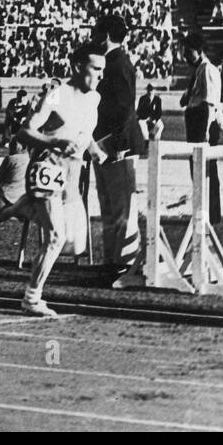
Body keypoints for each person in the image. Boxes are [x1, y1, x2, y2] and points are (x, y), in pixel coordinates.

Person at [9, 43, 108, 318]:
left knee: (76, 243)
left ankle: (24, 206)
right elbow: (24, 132)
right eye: (95, 69)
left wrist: (97, 152)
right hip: (48, 168)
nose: (100, 75)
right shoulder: (56, 95)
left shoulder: (94, 99)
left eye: (103, 70)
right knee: (55, 237)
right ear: (78, 67)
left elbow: (83, 132)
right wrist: (52, 140)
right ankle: (32, 298)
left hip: (73, 172)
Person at [90, 14, 146, 274]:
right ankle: (112, 258)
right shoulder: (110, 62)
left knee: (122, 205)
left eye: (96, 32)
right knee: (109, 204)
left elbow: (125, 109)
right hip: (105, 143)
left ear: (105, 35)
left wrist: (120, 145)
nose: (92, 36)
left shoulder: (120, 63)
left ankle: (124, 260)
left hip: (118, 144)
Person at [180, 32, 223, 224]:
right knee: (198, 169)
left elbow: (208, 104)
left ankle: (210, 214)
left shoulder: (207, 70)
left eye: (188, 53)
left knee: (205, 170)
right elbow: (185, 100)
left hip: (204, 124)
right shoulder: (198, 70)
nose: (185, 57)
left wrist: (205, 132)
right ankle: (203, 210)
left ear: (198, 51)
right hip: (197, 122)